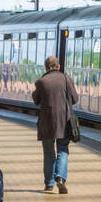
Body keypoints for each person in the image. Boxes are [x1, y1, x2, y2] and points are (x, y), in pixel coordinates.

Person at [32, 55, 78, 194]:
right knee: (62, 149)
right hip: (64, 121)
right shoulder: (66, 79)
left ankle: (49, 184)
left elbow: (36, 100)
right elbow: (75, 99)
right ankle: (60, 178)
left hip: (46, 123)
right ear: (58, 66)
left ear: (46, 68)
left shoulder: (41, 81)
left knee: (48, 152)